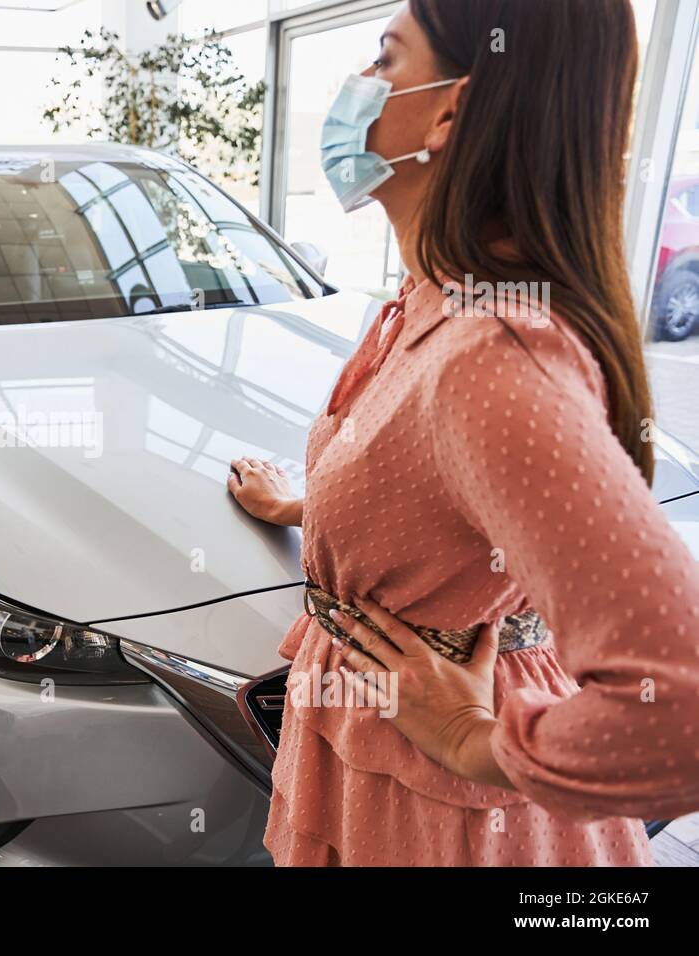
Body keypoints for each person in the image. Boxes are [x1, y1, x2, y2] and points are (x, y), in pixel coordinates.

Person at [228, 0, 699, 865]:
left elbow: (680, 705)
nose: (358, 88)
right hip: (377, 762)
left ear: (449, 111)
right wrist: (306, 505)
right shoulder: (430, 295)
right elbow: (431, 494)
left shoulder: (491, 353)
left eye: (383, 59)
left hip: (444, 812)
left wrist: (470, 740)